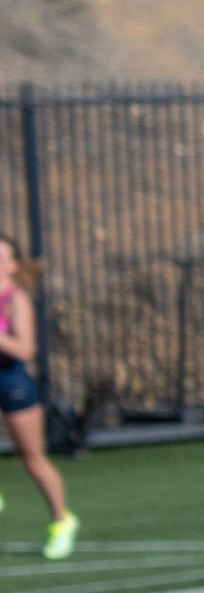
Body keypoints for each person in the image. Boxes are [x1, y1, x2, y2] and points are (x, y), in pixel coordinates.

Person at [0, 235, 76, 561]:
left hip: (12, 380)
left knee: (32, 458)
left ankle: (61, 521)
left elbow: (25, 349)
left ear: (13, 264)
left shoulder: (15, 300)